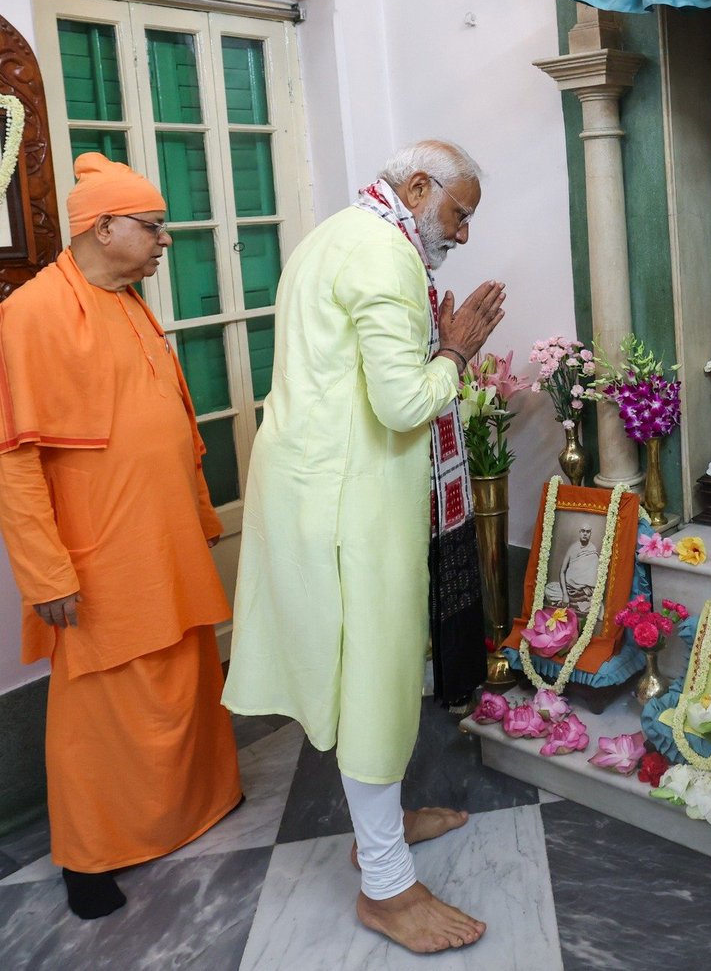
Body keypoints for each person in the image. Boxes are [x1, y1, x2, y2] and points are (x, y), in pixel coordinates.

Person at [222, 139, 505, 954]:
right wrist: (456, 351)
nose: (461, 232)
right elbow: (403, 403)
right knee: (375, 679)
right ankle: (385, 885)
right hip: (352, 502)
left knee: (367, 673)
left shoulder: (336, 233)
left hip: (319, 486)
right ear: (417, 187)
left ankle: (384, 823)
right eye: (457, 212)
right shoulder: (385, 257)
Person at [0, 154, 241, 919]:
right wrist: (47, 576)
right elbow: (14, 462)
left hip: (163, 534)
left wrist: (199, 516)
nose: (165, 240)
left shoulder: (129, 301)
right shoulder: (32, 314)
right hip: (98, 553)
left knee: (185, 677)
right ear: (104, 228)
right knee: (97, 710)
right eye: (153, 225)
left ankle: (194, 804)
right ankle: (88, 856)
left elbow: (168, 421)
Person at [556, 524, 600, 614]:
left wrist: (588, 588)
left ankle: (571, 603)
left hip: (583, 593)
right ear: (579, 532)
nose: (585, 534)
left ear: (590, 534)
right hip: (568, 589)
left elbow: (594, 577)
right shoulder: (573, 548)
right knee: (549, 589)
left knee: (597, 605)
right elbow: (562, 571)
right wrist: (564, 594)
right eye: (583, 531)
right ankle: (572, 602)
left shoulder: (593, 551)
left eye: (588, 532)